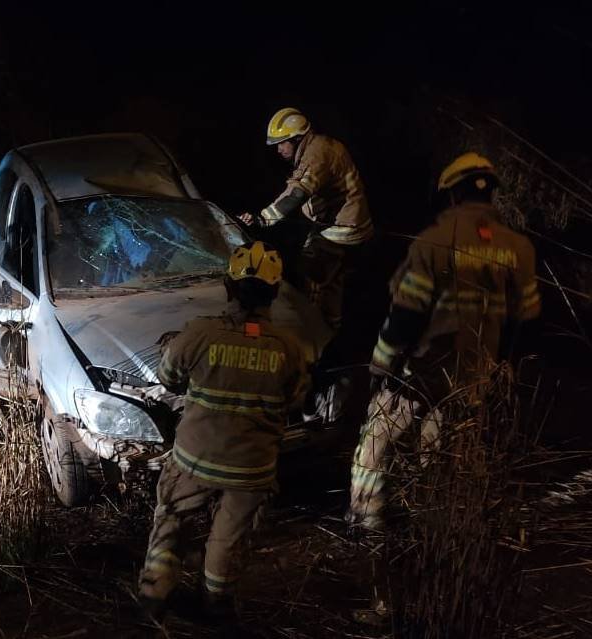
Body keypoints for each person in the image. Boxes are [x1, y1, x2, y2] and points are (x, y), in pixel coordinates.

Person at [347, 151, 541, 533]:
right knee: (438, 448)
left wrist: (380, 365)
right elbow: (526, 320)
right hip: (474, 374)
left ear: (452, 195)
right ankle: (434, 525)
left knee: (374, 441)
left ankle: (364, 523)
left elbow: (405, 314)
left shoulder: (434, 243)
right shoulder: (518, 248)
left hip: (422, 368)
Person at [137, 241, 310, 631]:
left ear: (228, 288)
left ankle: (153, 596)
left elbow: (168, 378)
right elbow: (296, 397)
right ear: (275, 293)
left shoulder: (201, 333)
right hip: (252, 468)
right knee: (228, 539)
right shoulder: (289, 348)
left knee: (172, 517)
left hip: (195, 458)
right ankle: (216, 606)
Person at [240, 107, 374, 423]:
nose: (277, 149)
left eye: (281, 142)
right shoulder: (318, 147)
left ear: (298, 137)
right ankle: (335, 325)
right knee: (326, 278)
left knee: (312, 281)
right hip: (342, 227)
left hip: (341, 233)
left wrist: (262, 218)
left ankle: (321, 348)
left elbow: (296, 194)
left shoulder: (318, 154)